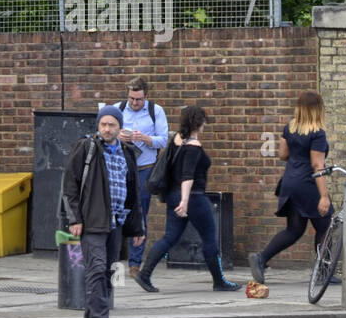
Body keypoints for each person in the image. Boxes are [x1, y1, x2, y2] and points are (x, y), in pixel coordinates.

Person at [62, 105, 145, 318]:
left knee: (107, 273)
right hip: (93, 222)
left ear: (120, 127)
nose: (107, 129)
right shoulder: (87, 148)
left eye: (112, 125)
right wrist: (74, 218)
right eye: (103, 125)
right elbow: (69, 185)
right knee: (96, 269)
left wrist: (137, 227)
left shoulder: (127, 152)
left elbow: (133, 193)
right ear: (98, 126)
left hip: (116, 223)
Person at [134, 105, 240, 293]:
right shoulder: (193, 146)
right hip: (193, 198)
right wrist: (184, 202)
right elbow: (187, 176)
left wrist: (180, 200)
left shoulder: (177, 140)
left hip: (173, 195)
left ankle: (144, 274)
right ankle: (219, 281)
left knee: (170, 237)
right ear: (199, 123)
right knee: (209, 238)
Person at [249, 91, 332, 283]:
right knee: (325, 225)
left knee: (294, 230)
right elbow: (318, 165)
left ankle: (261, 258)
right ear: (318, 109)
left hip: (289, 182)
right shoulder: (318, 133)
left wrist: (298, 151)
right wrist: (324, 196)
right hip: (307, 184)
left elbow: (283, 155)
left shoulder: (289, 128)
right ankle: (323, 273)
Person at [115, 76, 169, 278]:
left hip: (145, 169)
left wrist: (143, 138)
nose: (134, 103)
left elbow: (163, 140)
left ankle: (134, 264)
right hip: (120, 169)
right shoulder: (117, 109)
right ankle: (112, 258)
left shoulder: (156, 111)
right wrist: (117, 135)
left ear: (146, 96)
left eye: (138, 99)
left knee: (140, 214)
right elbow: (101, 133)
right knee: (116, 210)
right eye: (131, 98)